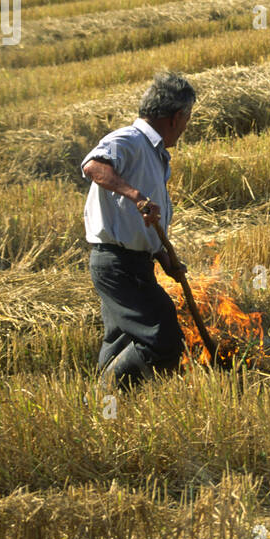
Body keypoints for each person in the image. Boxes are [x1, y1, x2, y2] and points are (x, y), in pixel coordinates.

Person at [80, 70, 195, 389]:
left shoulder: (155, 155)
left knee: (120, 341)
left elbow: (137, 223)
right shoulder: (129, 140)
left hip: (133, 262)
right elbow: (93, 166)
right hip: (117, 264)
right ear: (176, 116)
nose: (185, 128)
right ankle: (104, 397)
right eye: (187, 119)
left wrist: (162, 256)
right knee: (163, 337)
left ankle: (108, 413)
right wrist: (135, 195)